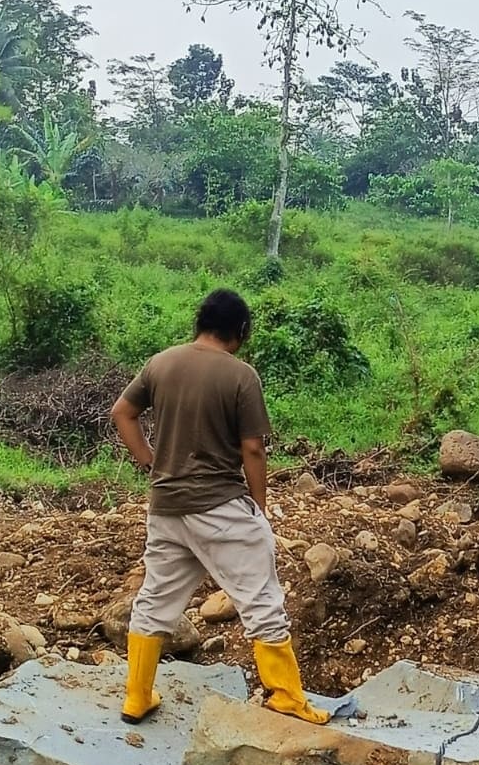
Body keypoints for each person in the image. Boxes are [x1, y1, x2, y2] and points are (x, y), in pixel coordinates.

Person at [109, 287, 328, 726]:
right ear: (241, 331)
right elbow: (253, 449)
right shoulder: (240, 375)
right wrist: (259, 508)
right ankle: (286, 697)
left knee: (155, 599)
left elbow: (122, 413)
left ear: (200, 322)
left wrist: (150, 460)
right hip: (219, 505)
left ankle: (137, 695)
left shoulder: (160, 363)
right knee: (262, 600)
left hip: (167, 507)